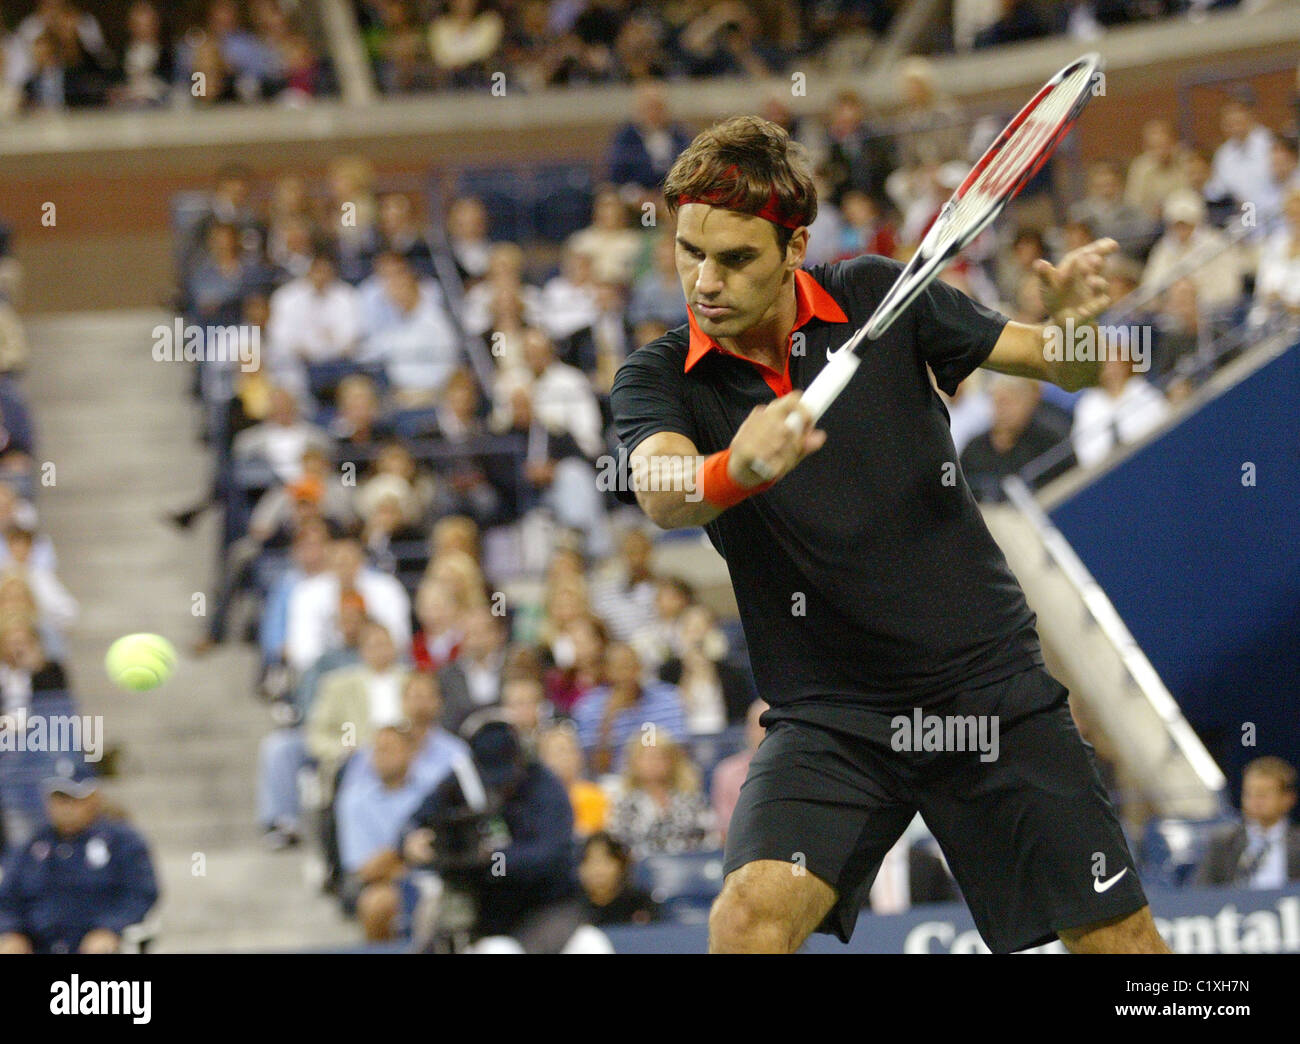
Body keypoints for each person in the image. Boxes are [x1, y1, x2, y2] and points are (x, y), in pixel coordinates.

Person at [609, 115, 1166, 953]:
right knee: (747, 918)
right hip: (832, 719)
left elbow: (1066, 366)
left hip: (985, 689)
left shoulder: (881, 296)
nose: (704, 282)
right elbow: (662, 490)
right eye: (690, 252)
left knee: (1118, 942)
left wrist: (1078, 327)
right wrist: (739, 468)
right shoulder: (658, 375)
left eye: (735, 258)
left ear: (794, 248)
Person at [400, 717, 604, 953]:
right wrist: (411, 841)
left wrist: (493, 859)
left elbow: (549, 856)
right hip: (485, 911)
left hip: (546, 907)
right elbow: (412, 822)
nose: (500, 784)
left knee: (586, 944)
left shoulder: (545, 787)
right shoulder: (462, 782)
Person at [0, 766, 159, 954]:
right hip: (39, 944)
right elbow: (7, 899)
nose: (66, 808)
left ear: (93, 799)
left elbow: (140, 893)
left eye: (74, 799)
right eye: (59, 800)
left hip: (96, 943)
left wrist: (109, 928)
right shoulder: (32, 845)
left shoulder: (121, 841)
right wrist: (12, 931)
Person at [572, 642, 685, 776]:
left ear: (640, 667)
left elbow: (679, 754)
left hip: (662, 778)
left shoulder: (667, 699)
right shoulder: (589, 707)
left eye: (630, 666)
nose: (626, 674)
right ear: (606, 671)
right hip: (614, 782)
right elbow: (597, 769)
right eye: (618, 668)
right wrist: (608, 719)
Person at [960, 375, 1075, 501]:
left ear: (1028, 402)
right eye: (998, 402)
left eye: (1009, 402)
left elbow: (1072, 484)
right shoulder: (974, 449)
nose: (1003, 410)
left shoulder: (1050, 440)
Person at [1195, 757, 1300, 889]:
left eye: (1263, 794)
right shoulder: (1223, 843)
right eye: (1249, 793)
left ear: (1288, 799)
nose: (1255, 801)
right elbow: (1200, 894)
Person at [607, 733, 716, 858]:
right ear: (633, 763)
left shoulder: (692, 798)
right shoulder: (622, 802)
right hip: (638, 871)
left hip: (688, 867)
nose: (653, 763)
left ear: (672, 761)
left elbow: (708, 839)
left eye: (660, 757)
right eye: (646, 757)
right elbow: (617, 846)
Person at [1070, 356, 1170, 469]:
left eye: (1115, 365)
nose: (1112, 371)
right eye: (1106, 367)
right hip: (1107, 471)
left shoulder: (1140, 389)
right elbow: (1083, 446)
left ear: (1125, 365)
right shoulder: (1088, 405)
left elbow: (1162, 416)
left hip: (1150, 456)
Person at [711, 699, 768, 840]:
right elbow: (725, 829)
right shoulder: (727, 772)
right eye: (760, 727)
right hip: (742, 851)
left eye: (772, 728)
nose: (765, 733)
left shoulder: (796, 771)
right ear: (748, 730)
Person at [578, 831, 660, 927]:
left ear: (621, 865)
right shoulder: (569, 909)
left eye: (606, 862)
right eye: (590, 861)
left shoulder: (639, 906)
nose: (598, 869)